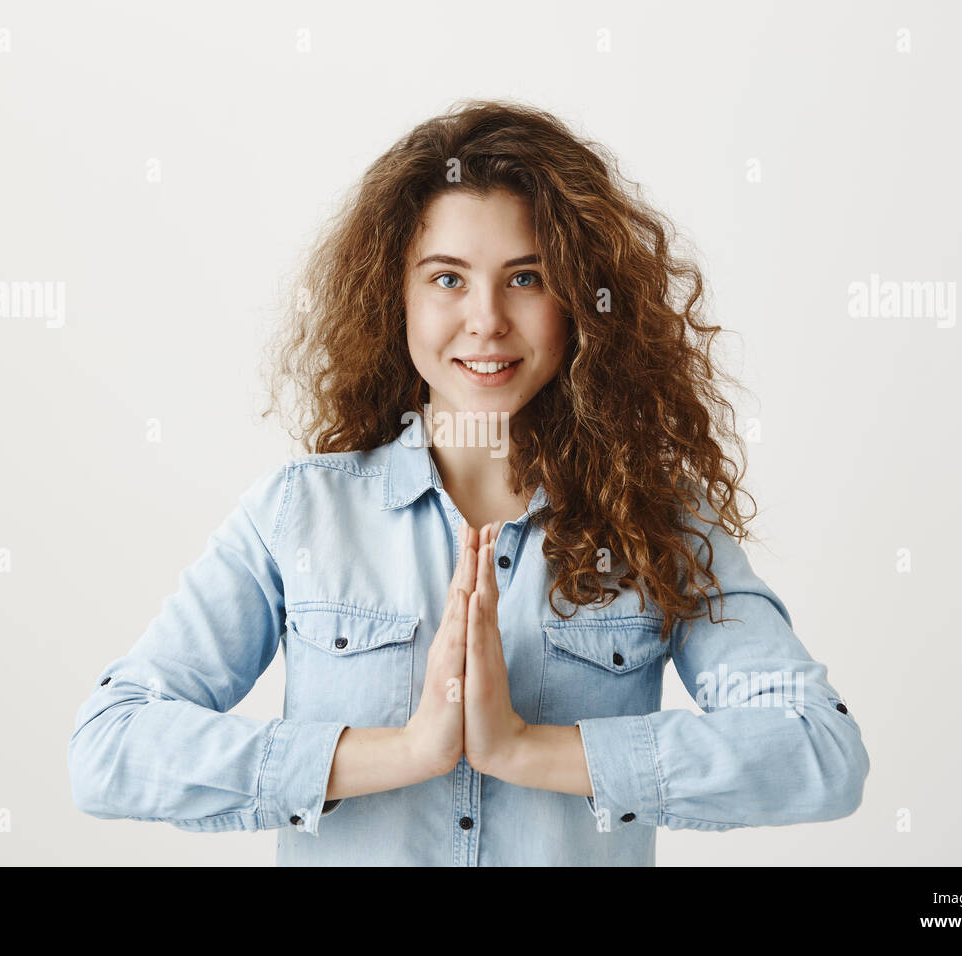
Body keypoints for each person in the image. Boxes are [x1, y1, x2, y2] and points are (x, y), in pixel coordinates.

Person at [66, 99, 870, 866]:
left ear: (580, 300)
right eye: (448, 278)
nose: (486, 319)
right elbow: (111, 747)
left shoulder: (656, 518)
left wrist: (528, 749)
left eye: (526, 278)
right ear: (397, 298)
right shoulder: (299, 515)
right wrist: (398, 753)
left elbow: (817, 748)